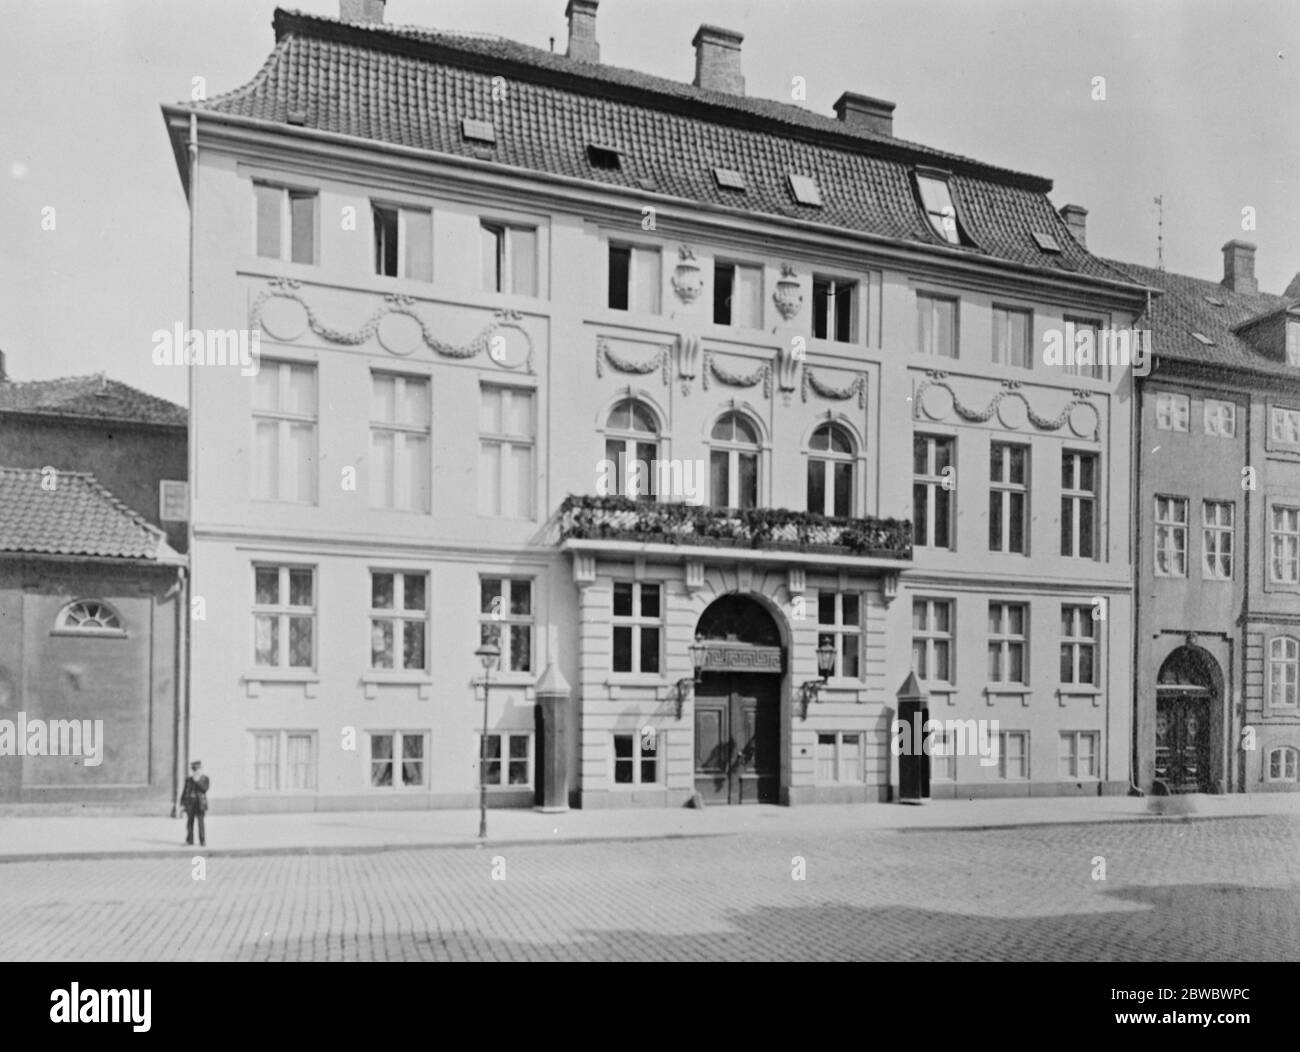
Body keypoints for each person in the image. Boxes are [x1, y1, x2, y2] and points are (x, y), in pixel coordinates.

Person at [180, 760, 210, 847]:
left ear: (201, 769)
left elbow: (204, 789)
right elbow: (185, 791)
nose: (196, 771)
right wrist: (182, 803)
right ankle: (190, 840)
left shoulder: (205, 778)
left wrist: (197, 781)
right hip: (190, 803)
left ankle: (202, 840)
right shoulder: (188, 780)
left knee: (201, 823)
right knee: (190, 822)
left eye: (198, 769)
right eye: (194, 770)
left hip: (200, 803)